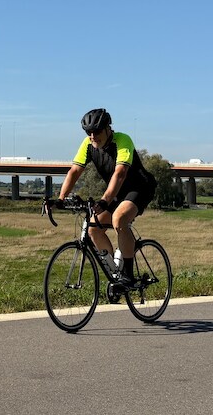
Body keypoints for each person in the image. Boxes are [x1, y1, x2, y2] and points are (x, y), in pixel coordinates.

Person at [56, 108, 157, 292]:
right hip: (117, 192)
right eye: (89, 132)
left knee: (119, 219)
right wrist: (60, 199)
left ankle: (127, 274)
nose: (93, 136)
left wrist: (104, 201)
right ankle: (115, 273)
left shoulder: (122, 140)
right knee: (93, 227)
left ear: (108, 128)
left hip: (139, 187)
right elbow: (74, 172)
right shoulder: (88, 145)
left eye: (97, 131)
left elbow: (120, 174)